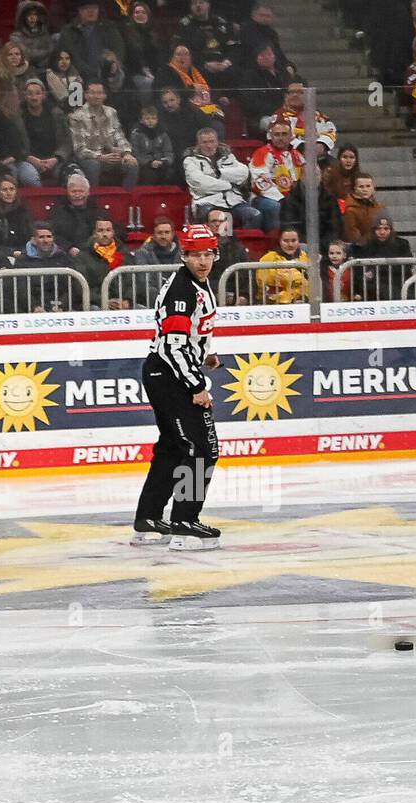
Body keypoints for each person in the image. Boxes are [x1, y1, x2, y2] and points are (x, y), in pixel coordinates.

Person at [132, 223, 222, 550]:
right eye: (195, 255)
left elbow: (190, 335)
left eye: (207, 253)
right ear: (184, 255)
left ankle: (149, 517)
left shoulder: (198, 283)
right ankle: (185, 520)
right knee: (203, 447)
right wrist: (197, 384)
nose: (202, 261)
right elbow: (173, 345)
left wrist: (205, 354)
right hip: (169, 375)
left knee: (173, 447)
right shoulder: (182, 290)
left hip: (167, 373)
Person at [185, 127, 261, 229]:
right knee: (222, 218)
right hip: (208, 201)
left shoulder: (228, 157)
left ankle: (244, 243)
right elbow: (201, 185)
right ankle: (223, 244)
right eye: (204, 142)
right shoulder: (190, 161)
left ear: (217, 142)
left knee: (255, 215)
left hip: (233, 200)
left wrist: (219, 174)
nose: (209, 145)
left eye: (212, 141)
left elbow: (244, 173)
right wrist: (230, 184)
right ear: (198, 144)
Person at [69, 80, 140, 190]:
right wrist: (100, 157)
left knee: (132, 164)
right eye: (92, 93)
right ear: (86, 95)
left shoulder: (111, 112)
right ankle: (94, 202)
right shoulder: (77, 116)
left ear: (104, 95)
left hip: (110, 155)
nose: (96, 96)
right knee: (94, 166)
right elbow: (79, 149)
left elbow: (119, 136)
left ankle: (126, 200)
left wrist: (126, 153)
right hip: (90, 157)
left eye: (99, 93)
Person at [249, 120, 303, 233]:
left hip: (291, 196)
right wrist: (282, 199)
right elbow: (260, 183)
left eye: (284, 134)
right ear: (271, 136)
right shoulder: (262, 153)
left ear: (291, 136)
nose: (280, 138)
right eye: (277, 134)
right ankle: (275, 240)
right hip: (264, 197)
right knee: (274, 206)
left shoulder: (297, 155)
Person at [17, 79, 73, 188]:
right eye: (30, 94)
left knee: (74, 176)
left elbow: (67, 141)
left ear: (44, 95)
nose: (34, 97)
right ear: (24, 96)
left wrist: (56, 158)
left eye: (37, 93)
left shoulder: (57, 114)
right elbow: (15, 144)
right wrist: (30, 158)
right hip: (27, 160)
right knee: (29, 177)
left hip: (55, 160)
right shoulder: (17, 117)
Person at [266, 81, 338, 163]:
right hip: (289, 159)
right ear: (286, 96)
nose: (295, 95)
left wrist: (322, 144)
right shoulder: (278, 117)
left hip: (319, 157)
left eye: (300, 92)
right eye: (291, 92)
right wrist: (303, 147)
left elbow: (330, 130)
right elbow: (275, 138)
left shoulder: (317, 115)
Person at [57, 0, 127, 85]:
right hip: (80, 75)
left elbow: (118, 48)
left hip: (107, 73)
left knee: (123, 77)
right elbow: (72, 57)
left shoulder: (108, 27)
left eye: (94, 8)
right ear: (79, 10)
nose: (91, 11)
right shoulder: (69, 31)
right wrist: (93, 74)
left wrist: (115, 63)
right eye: (86, 8)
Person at [11, 220, 76, 311]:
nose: (46, 240)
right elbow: (21, 288)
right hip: (32, 309)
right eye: (41, 237)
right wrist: (34, 306)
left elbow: (71, 286)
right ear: (33, 239)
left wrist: (62, 306)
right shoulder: (23, 260)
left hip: (60, 307)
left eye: (49, 237)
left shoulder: (63, 257)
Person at [350, 212, 414, 300]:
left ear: (391, 230)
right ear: (373, 230)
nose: (382, 232)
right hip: (373, 289)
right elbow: (360, 271)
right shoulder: (364, 246)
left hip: (398, 284)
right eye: (378, 229)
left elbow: (407, 266)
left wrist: (376, 270)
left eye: (386, 228)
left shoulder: (402, 244)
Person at [178, 0, 239, 93]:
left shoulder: (220, 22)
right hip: (198, 64)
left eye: (201, 2)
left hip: (222, 63)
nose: (198, 5)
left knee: (236, 72)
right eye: (194, 3)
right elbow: (184, 51)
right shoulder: (185, 25)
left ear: (208, 5)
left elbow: (233, 48)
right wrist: (205, 64)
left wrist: (225, 63)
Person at [75, 215, 129, 309]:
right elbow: (80, 287)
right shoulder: (82, 256)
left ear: (113, 233)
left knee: (143, 309)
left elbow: (134, 281)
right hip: (95, 303)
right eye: (100, 231)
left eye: (108, 230)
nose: (104, 234)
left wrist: (128, 300)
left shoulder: (124, 253)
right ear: (94, 234)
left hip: (122, 302)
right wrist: (103, 300)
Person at [206, 206, 251, 304]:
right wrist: (217, 294)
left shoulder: (238, 247)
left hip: (235, 298)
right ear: (207, 224)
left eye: (221, 221)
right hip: (209, 296)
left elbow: (246, 274)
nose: (217, 224)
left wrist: (244, 296)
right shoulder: (200, 248)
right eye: (214, 221)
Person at [257, 225, 309, 304]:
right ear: (279, 241)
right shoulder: (268, 258)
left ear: (299, 241)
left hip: (303, 304)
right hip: (276, 305)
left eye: (293, 240)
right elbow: (264, 283)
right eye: (286, 241)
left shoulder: (306, 258)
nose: (290, 244)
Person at [0, 174, 33, 253]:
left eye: (12, 189)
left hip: (19, 252)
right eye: (4, 190)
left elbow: (28, 236)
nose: (9, 193)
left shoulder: (23, 211)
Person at [132, 104, 176, 186]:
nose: (150, 121)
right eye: (147, 118)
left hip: (161, 162)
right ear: (141, 120)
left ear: (157, 120)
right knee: (148, 175)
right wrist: (149, 162)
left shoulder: (163, 133)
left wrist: (163, 161)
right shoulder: (136, 134)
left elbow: (169, 152)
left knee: (170, 173)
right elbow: (136, 154)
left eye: (153, 118)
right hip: (145, 164)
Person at [342, 172, 383, 244]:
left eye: (368, 186)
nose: (365, 189)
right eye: (361, 187)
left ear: (373, 188)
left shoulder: (380, 208)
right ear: (355, 189)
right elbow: (354, 236)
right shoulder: (350, 210)